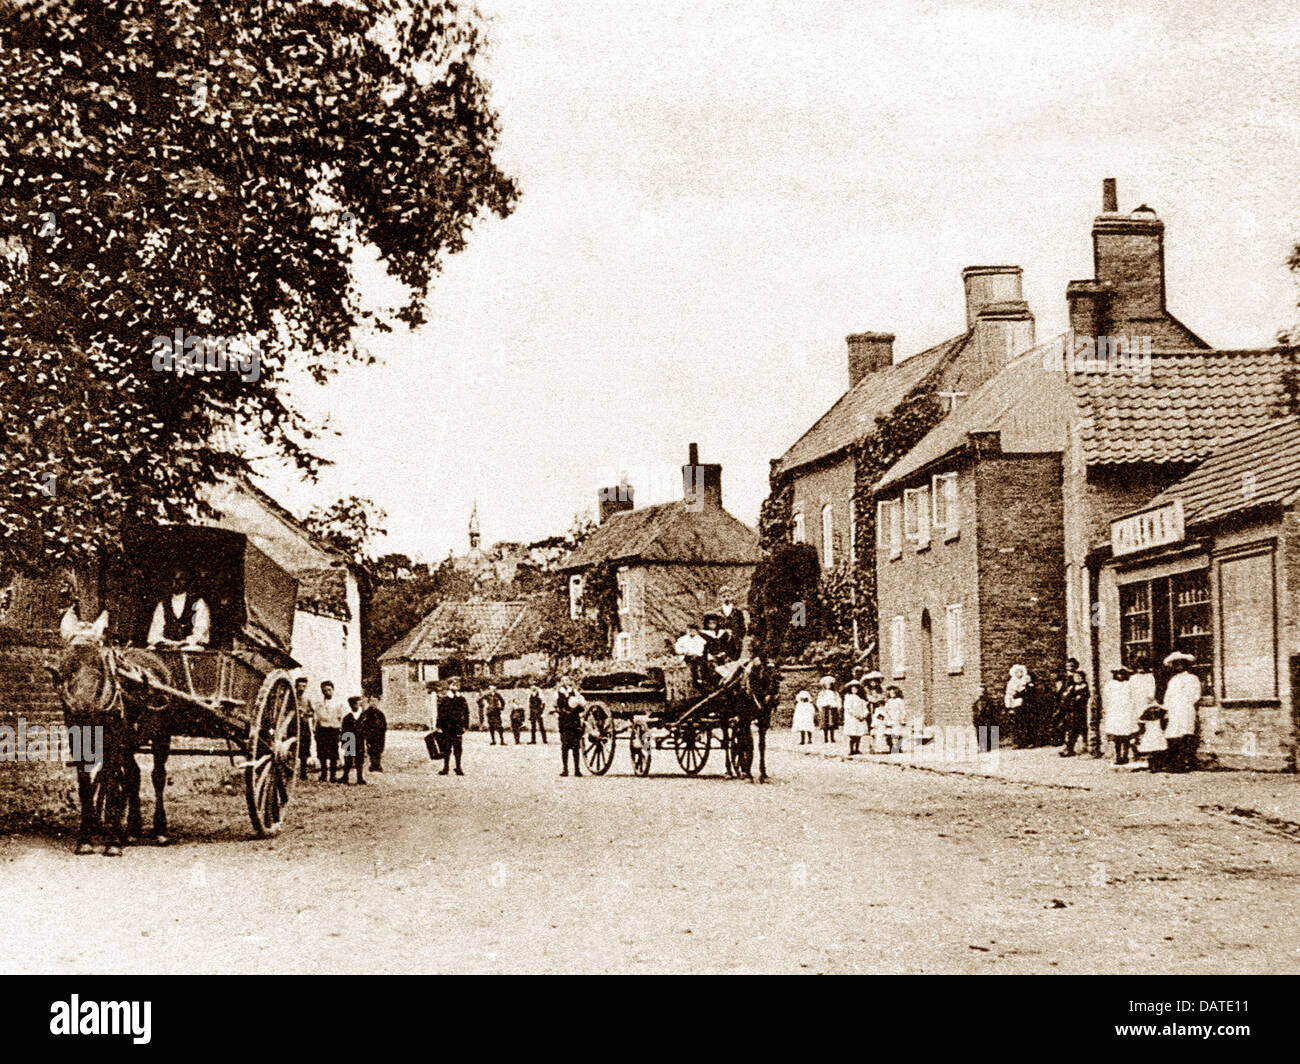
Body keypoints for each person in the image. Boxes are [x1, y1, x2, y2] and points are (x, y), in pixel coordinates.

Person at [146, 566, 211, 648]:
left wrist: (186, 642)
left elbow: (201, 630)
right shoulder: (163, 604)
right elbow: (155, 631)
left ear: (187, 581)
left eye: (180, 579)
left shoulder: (197, 603)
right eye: (173, 579)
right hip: (167, 645)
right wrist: (163, 643)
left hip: (189, 646)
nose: (176, 583)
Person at [1162, 652, 1201, 773]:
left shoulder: (1192, 678)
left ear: (1185, 665)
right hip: (1173, 710)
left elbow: (1195, 695)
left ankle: (1186, 762)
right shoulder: (1173, 680)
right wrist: (1167, 709)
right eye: (1176, 664)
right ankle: (1175, 763)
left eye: (1181, 664)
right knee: (1173, 735)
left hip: (1185, 709)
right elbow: (1168, 696)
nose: (1178, 666)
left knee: (1185, 735)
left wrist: (1185, 702)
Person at [1101, 666, 1138, 766]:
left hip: (1126, 712)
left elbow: (1133, 698)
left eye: (1122, 673)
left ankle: (1125, 755)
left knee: (1126, 736)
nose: (1120, 675)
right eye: (1118, 673)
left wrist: (1132, 711)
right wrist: (1107, 709)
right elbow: (1106, 698)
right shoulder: (1110, 684)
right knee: (1116, 737)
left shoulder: (1129, 684)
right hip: (1115, 712)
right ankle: (1117, 756)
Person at [1055, 658, 1091, 757]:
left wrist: (1070, 699)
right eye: (1068, 666)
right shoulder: (1067, 679)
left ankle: (1080, 747)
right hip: (1070, 709)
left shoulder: (1082, 685)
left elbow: (1079, 697)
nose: (1070, 668)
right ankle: (1069, 747)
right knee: (1070, 728)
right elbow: (1064, 693)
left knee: (1077, 729)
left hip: (1078, 710)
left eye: (1072, 666)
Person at [437, 681, 469, 776]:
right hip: (446, 727)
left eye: (457, 685)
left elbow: (466, 713)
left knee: (458, 748)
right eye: (453, 684)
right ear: (449, 686)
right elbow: (440, 713)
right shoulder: (444, 699)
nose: (455, 686)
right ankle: (445, 768)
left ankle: (458, 767)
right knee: (446, 748)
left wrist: (465, 726)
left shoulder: (461, 699)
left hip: (458, 727)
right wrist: (439, 726)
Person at [315, 680, 344, 782]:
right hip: (322, 730)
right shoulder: (319, 703)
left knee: (333, 753)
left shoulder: (338, 703)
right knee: (322, 753)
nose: (327, 692)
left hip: (333, 730)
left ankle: (333, 775)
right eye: (325, 691)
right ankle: (323, 774)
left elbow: (340, 718)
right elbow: (317, 717)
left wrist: (340, 730)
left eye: (329, 690)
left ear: (333, 690)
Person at [556, 677, 584, 777]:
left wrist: (577, 706)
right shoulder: (559, 693)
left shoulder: (574, 692)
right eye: (564, 681)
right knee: (565, 747)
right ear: (561, 682)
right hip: (565, 722)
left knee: (576, 747)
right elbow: (558, 706)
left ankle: (577, 770)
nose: (566, 682)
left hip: (574, 722)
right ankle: (565, 769)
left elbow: (581, 706)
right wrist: (564, 711)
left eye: (567, 680)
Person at [1134, 697, 1168, 770]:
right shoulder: (1160, 712)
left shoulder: (1146, 713)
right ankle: (1157, 765)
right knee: (1157, 750)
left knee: (1151, 750)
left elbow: (1140, 722)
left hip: (1150, 732)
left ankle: (1152, 765)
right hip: (1157, 732)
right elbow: (1164, 721)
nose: (1153, 710)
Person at [676, 624, 710, 690]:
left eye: (693, 631)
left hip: (697, 656)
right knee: (685, 666)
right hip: (686, 656)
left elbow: (700, 649)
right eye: (690, 630)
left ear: (696, 631)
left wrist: (696, 654)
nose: (692, 632)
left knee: (698, 666)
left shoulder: (699, 639)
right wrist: (682, 651)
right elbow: (677, 647)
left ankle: (699, 680)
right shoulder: (683, 639)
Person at [341, 696, 366, 784]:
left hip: (359, 740)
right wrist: (344, 744)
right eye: (352, 704)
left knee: (360, 759)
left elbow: (366, 730)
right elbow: (344, 731)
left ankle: (360, 778)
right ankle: (345, 777)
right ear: (350, 705)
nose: (354, 706)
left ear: (359, 704)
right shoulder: (347, 717)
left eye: (356, 704)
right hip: (349, 739)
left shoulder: (363, 717)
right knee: (348, 759)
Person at [716, 587, 746, 660]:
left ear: (732, 596)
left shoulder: (738, 611)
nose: (726, 598)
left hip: (735, 643)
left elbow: (742, 627)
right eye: (724, 596)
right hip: (722, 643)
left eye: (728, 596)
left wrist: (738, 637)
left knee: (734, 661)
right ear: (720, 598)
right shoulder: (717, 612)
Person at [1003, 664, 1030, 748]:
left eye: (1021, 672)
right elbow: (1009, 693)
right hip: (1015, 704)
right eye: (1017, 672)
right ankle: (1017, 742)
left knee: (1025, 723)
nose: (1019, 674)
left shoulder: (1026, 680)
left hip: (1025, 704)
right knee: (1016, 724)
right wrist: (1009, 705)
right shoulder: (1011, 682)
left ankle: (1026, 741)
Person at [294, 675, 314, 781]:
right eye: (300, 686)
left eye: (304, 686)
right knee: (292, 748)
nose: (301, 688)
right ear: (296, 686)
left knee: (304, 750)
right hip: (293, 726)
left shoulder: (307, 699)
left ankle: (303, 773)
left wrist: (305, 713)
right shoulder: (291, 697)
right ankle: (291, 771)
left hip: (304, 726)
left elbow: (312, 712)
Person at [842, 679, 870, 755]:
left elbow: (865, 708)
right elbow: (848, 708)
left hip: (860, 718)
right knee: (852, 735)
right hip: (852, 718)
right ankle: (851, 750)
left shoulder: (861, 698)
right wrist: (856, 715)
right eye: (853, 688)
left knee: (858, 735)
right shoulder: (848, 697)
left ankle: (857, 749)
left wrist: (864, 715)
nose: (854, 690)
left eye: (856, 688)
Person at [360, 697, 387, 773]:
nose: (373, 703)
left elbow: (384, 724)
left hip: (379, 736)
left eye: (375, 701)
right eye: (372, 701)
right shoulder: (366, 713)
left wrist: (382, 731)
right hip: (370, 736)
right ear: (369, 702)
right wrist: (366, 733)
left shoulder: (380, 713)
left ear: (378, 702)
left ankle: (377, 764)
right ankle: (373, 765)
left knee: (379, 750)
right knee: (371, 750)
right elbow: (363, 725)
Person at [815, 676, 841, 743]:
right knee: (825, 724)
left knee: (832, 724)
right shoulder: (822, 693)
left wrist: (837, 706)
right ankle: (825, 738)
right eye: (826, 684)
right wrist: (820, 707)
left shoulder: (835, 693)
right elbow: (819, 701)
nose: (828, 685)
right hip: (825, 709)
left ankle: (832, 738)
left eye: (829, 683)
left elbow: (838, 700)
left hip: (832, 708)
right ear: (824, 685)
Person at [883, 686, 907, 753]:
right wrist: (887, 718)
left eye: (893, 693)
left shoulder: (900, 701)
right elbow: (886, 710)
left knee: (897, 734)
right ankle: (891, 747)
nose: (892, 694)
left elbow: (903, 710)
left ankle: (898, 747)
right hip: (890, 718)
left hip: (897, 718)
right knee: (889, 734)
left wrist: (902, 718)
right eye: (890, 693)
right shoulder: (888, 701)